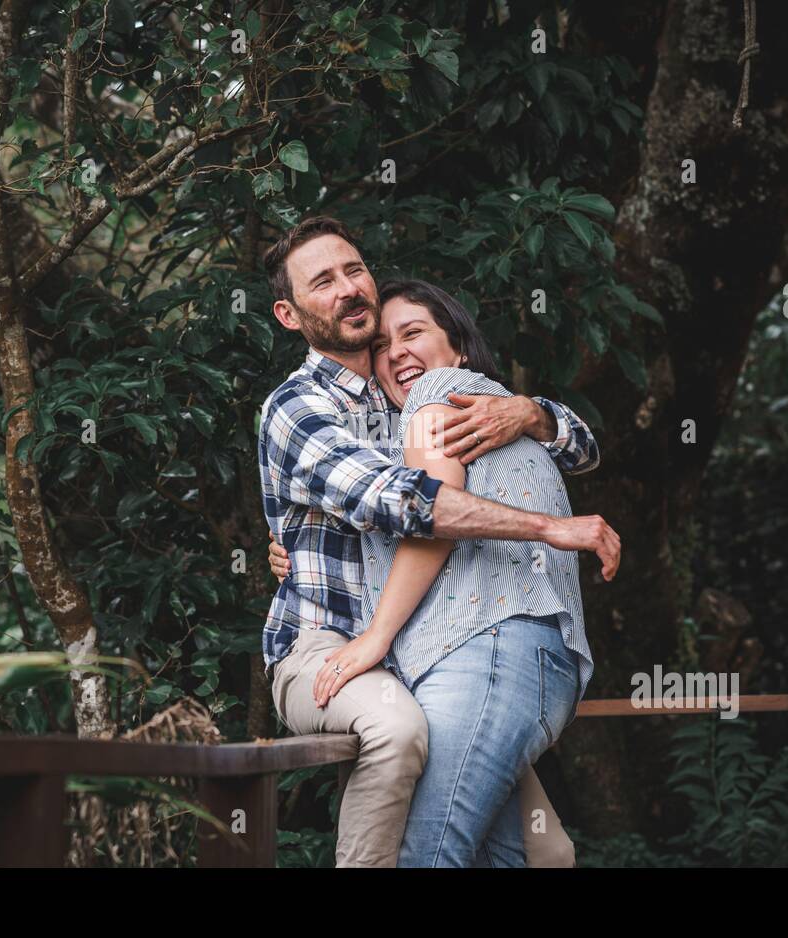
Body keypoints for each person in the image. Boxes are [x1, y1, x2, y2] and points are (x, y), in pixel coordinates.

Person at [257, 216, 621, 866]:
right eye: (323, 281)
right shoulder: (297, 405)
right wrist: (546, 527)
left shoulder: (415, 396)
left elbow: (585, 448)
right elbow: (402, 503)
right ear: (288, 314)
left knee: (548, 852)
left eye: (353, 269)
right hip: (326, 645)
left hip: (416, 653)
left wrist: (534, 412)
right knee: (399, 736)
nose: (347, 288)